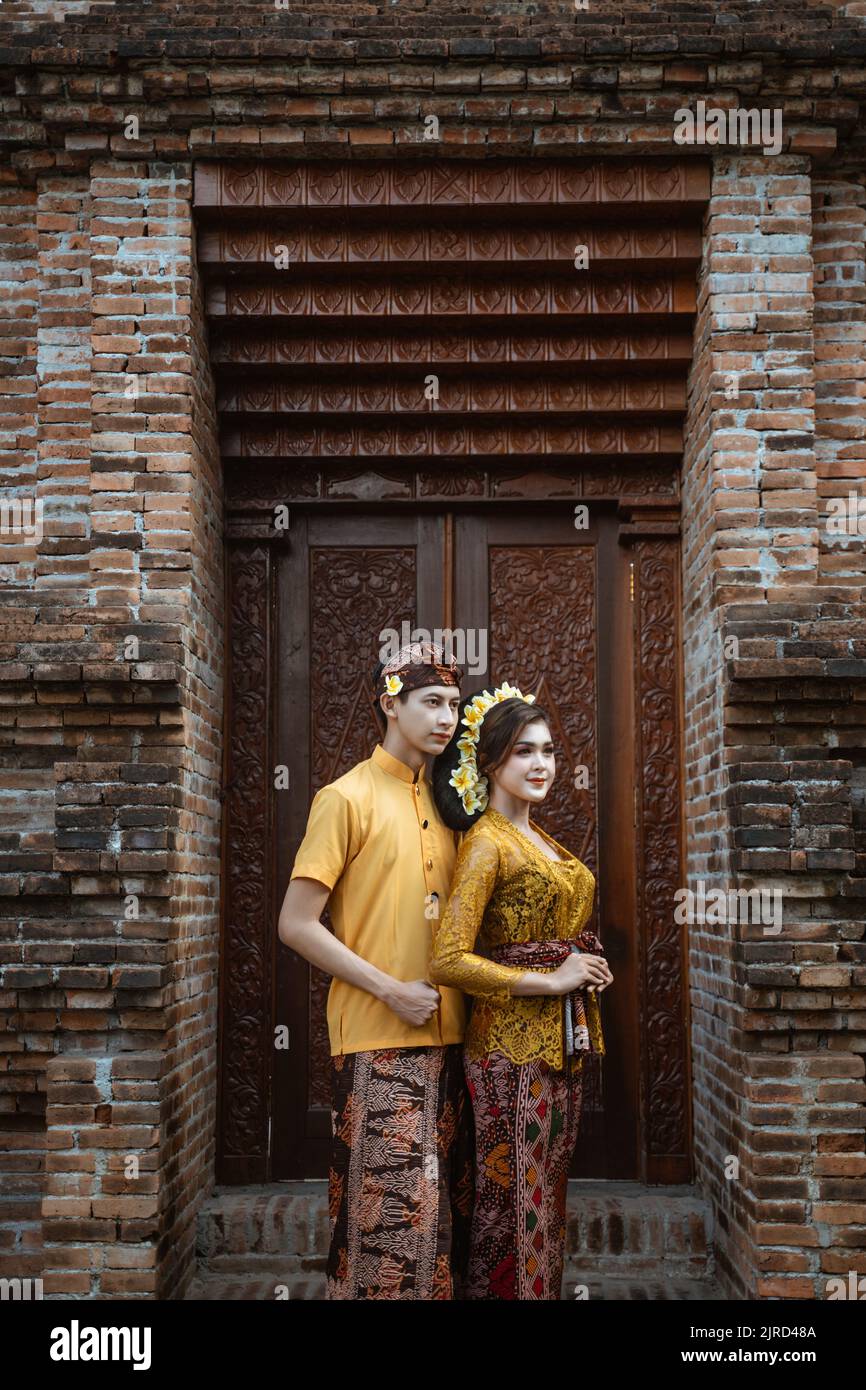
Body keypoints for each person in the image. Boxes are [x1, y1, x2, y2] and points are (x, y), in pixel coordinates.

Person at [277, 639, 474, 1300]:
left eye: (453, 703)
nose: (446, 716)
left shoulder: (450, 810)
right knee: (384, 1231)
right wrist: (390, 989)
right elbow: (296, 923)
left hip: (457, 1043)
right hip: (378, 1042)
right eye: (431, 702)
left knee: (440, 1233)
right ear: (390, 703)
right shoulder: (346, 798)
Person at [428, 683, 614, 1301]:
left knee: (543, 1203)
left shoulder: (539, 838)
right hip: (506, 1053)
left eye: (548, 751)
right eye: (522, 753)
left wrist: (581, 964)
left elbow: (546, 929)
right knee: (510, 1205)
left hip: (557, 1043)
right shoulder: (486, 843)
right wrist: (550, 978)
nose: (541, 765)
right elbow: (449, 959)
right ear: (490, 765)